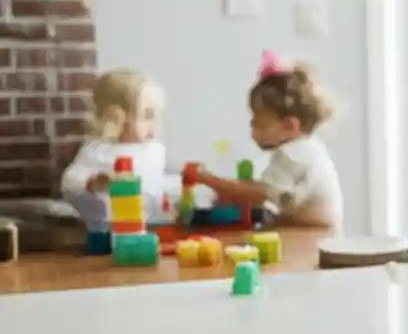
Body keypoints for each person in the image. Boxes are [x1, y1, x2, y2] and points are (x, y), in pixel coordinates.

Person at [197, 51, 343, 231]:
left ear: (290, 126)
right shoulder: (308, 148)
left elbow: (259, 193)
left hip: (313, 237)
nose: (253, 133)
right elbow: (275, 199)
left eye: (259, 124)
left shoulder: (294, 154)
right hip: (307, 230)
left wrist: (207, 179)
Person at [61, 68, 170, 225]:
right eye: (147, 116)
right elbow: (70, 183)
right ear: (117, 117)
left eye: (157, 115)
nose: (155, 124)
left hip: (151, 225)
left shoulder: (155, 150)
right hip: (109, 227)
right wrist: (95, 183)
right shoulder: (98, 151)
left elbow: (160, 183)